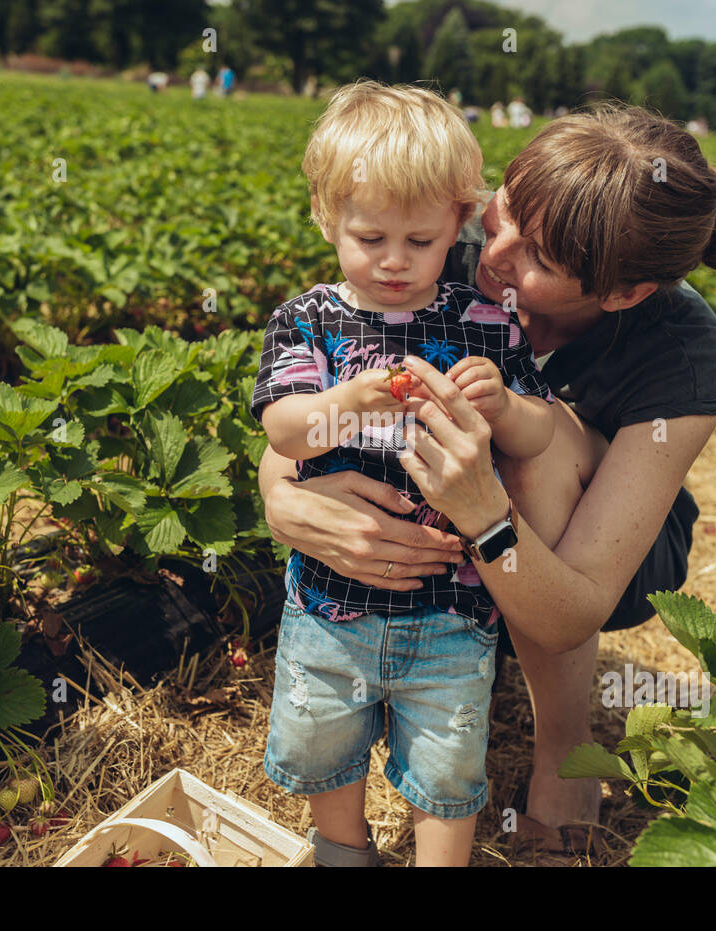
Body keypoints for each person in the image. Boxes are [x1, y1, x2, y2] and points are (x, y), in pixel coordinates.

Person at [258, 102, 716, 857]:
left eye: (539, 260)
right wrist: (283, 495)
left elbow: (575, 609)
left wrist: (483, 511)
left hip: (601, 548)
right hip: (453, 512)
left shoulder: (684, 352)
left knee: (537, 443)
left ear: (623, 294)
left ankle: (561, 742)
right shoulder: (441, 246)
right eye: (502, 215)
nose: (494, 256)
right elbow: (317, 394)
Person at [252, 81, 557, 867]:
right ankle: (342, 849)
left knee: (449, 761)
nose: (393, 260)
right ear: (326, 218)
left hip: (453, 607)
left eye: (419, 242)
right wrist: (346, 400)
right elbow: (283, 428)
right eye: (369, 237)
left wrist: (506, 409)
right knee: (324, 740)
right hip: (329, 603)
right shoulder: (309, 320)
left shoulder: (486, 323)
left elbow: (543, 428)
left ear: (459, 223)